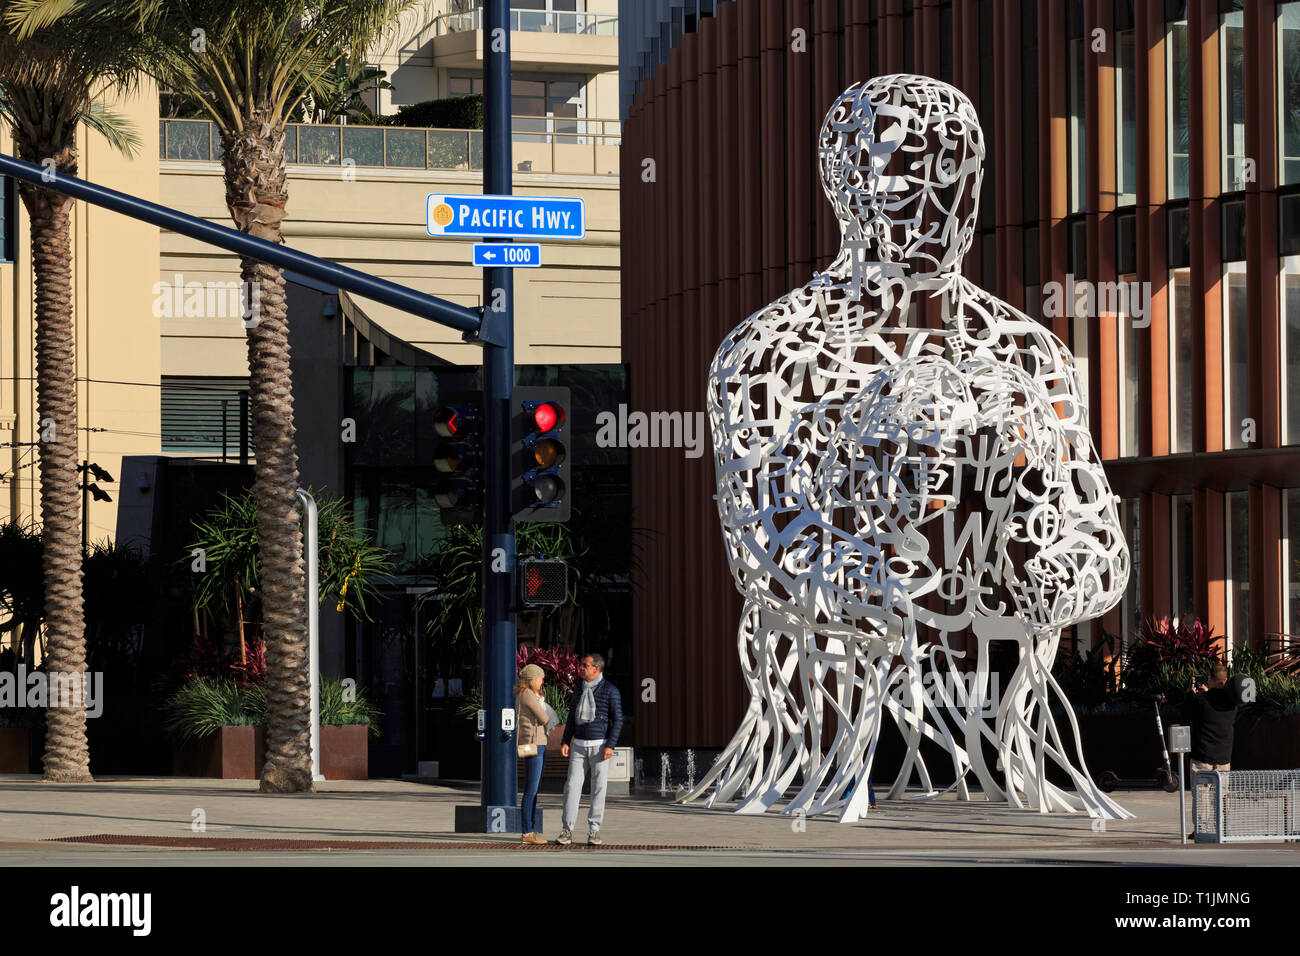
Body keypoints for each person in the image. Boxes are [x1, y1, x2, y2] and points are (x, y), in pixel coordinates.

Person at [556, 653, 622, 845]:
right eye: (582, 665)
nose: (581, 667)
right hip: (578, 745)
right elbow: (571, 717)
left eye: (585, 665)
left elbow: (617, 720)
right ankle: (566, 830)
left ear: (596, 669)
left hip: (600, 746)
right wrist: (565, 741)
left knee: (599, 788)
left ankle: (594, 831)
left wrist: (610, 745)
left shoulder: (611, 690)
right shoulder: (579, 689)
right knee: (571, 787)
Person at [515, 664, 550, 845]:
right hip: (534, 745)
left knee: (533, 790)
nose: (542, 681)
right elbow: (544, 718)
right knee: (531, 790)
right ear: (532, 679)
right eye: (540, 678)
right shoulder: (528, 695)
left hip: (535, 745)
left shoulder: (529, 694)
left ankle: (531, 830)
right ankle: (527, 832)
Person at [1184, 662, 1238, 773]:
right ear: (1226, 680)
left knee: (1201, 791)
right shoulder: (1233, 703)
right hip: (1224, 759)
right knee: (1221, 791)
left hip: (1202, 758)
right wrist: (1209, 691)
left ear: (1210, 679)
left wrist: (1190, 694)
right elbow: (1216, 702)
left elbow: (1185, 712)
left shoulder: (1200, 700)